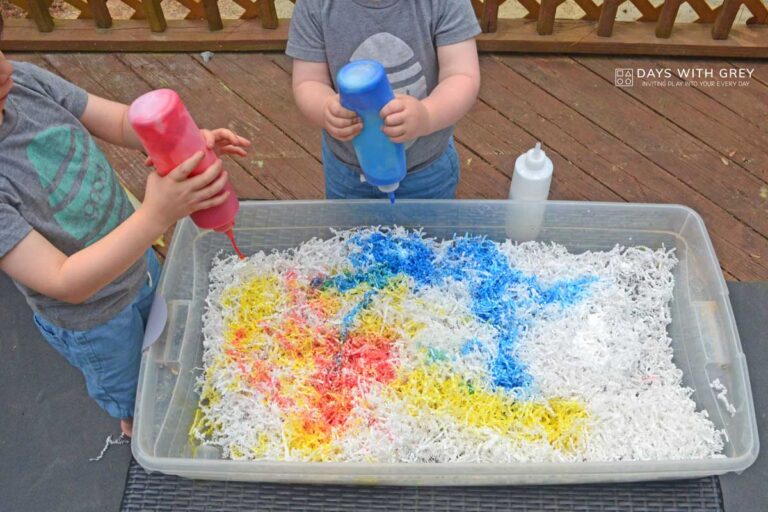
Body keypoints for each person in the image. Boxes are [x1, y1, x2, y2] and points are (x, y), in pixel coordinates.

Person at [0, 14, 250, 437]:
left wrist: (182, 140)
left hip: (137, 259)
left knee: (162, 332)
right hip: (95, 320)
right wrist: (155, 216)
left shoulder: (23, 82)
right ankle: (140, 430)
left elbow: (118, 122)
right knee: (133, 390)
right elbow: (64, 281)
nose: (4, 68)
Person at [287, 0, 481, 199]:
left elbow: (461, 75)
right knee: (348, 221)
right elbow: (309, 81)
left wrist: (427, 115)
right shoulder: (315, 5)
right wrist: (325, 108)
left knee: (429, 221)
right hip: (349, 171)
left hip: (426, 168)